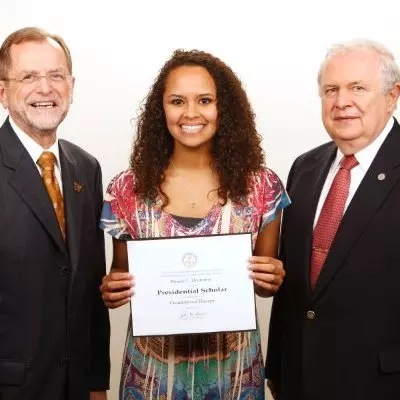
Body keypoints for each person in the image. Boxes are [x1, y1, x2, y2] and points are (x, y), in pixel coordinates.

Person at [99, 49, 290, 399]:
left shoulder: (262, 187)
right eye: (176, 101)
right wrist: (113, 289)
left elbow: (264, 288)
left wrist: (271, 277)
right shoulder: (127, 191)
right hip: (150, 381)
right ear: (161, 110)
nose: (190, 113)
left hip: (234, 378)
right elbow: (121, 276)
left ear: (224, 108)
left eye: (204, 100)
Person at [265, 40, 400, 400]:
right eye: (331, 90)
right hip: (299, 380)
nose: (342, 102)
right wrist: (277, 367)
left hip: (381, 384)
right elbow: (293, 283)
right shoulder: (304, 168)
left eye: (358, 88)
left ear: (392, 96)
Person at [0, 27, 110, 400]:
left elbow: (91, 285)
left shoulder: (86, 168)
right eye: (28, 76)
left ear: (71, 86)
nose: (44, 88)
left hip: (77, 386)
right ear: (2, 91)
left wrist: (97, 382)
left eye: (55, 76)